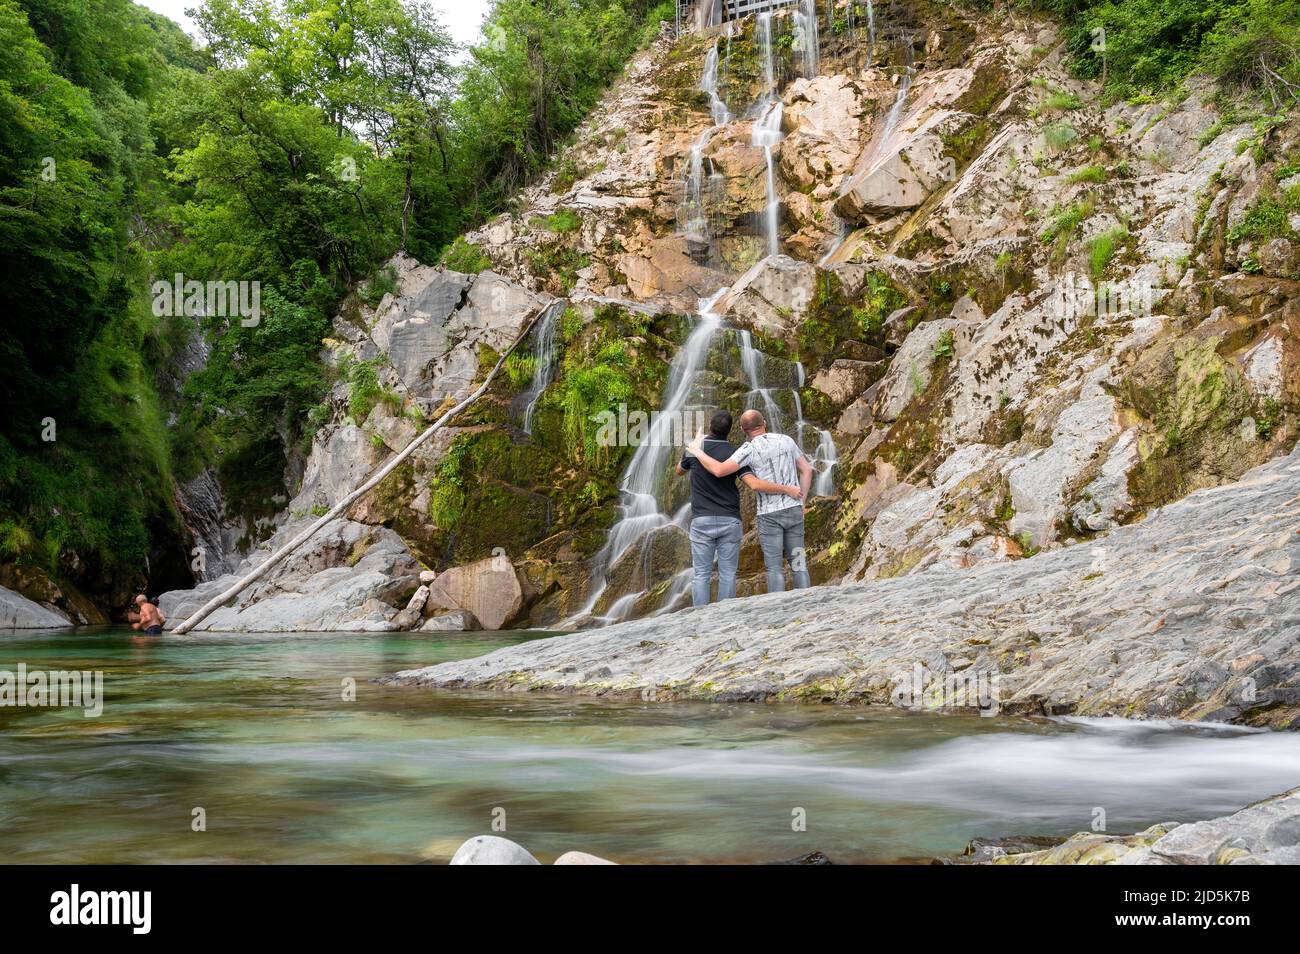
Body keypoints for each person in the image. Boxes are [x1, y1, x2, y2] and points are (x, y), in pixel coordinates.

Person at [678, 410, 802, 606]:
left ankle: (698, 617)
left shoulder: (695, 449)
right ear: (733, 431)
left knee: (701, 573)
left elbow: (680, 470)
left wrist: (695, 447)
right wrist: (793, 492)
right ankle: (725, 614)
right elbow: (752, 481)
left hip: (702, 520)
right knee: (729, 573)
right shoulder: (736, 453)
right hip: (732, 519)